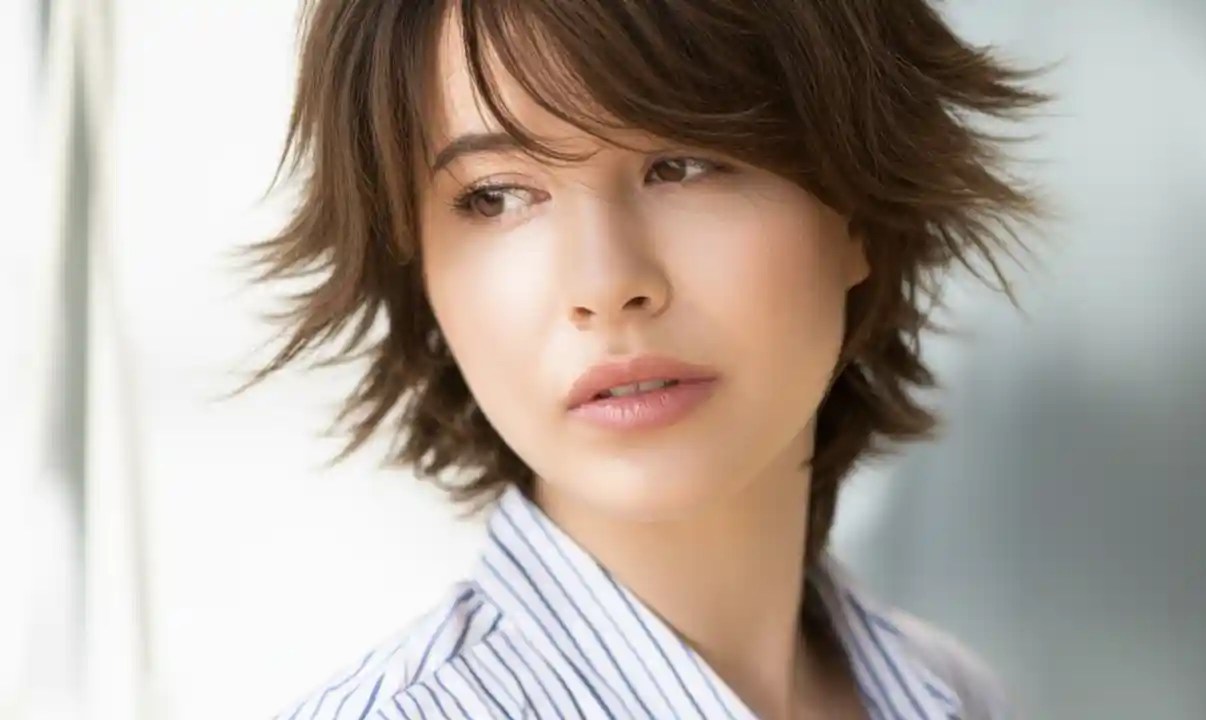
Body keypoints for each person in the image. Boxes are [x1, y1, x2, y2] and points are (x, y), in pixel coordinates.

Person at [249, 0, 1049, 717]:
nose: (605, 284)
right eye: (496, 195)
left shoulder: (956, 695)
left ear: (859, 213)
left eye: (683, 164)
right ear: (417, 268)